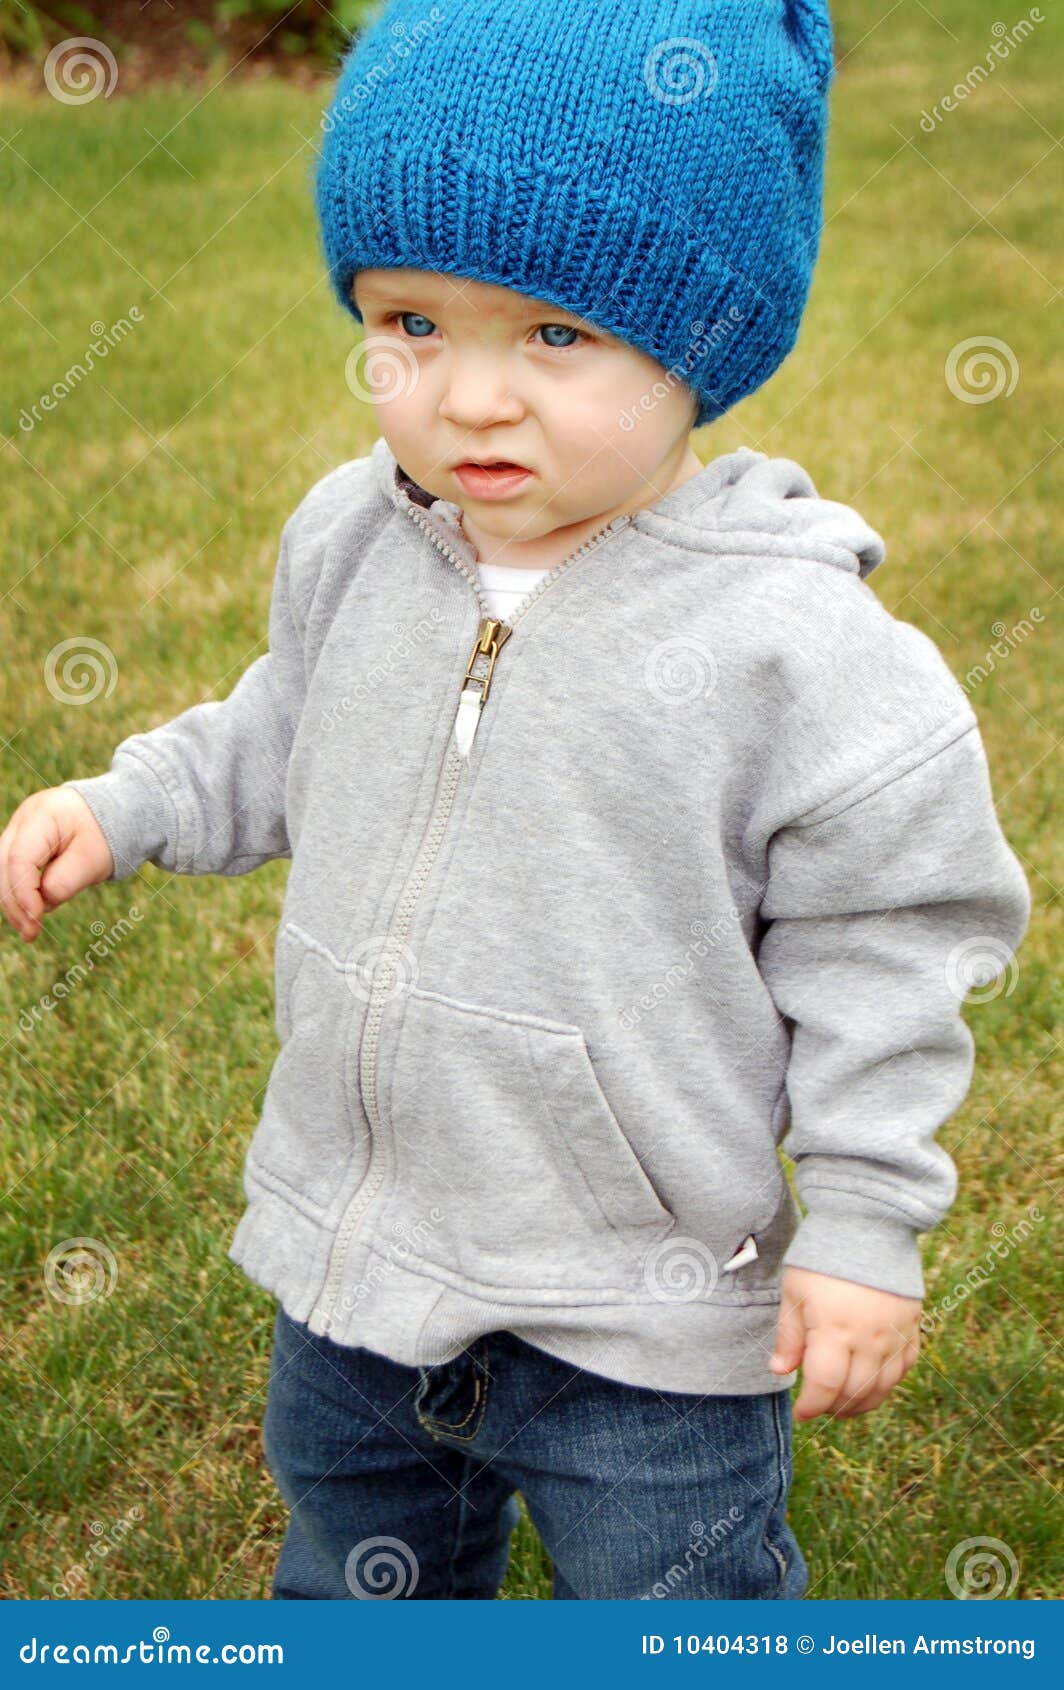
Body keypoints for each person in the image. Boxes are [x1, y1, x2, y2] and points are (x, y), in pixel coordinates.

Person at [0, 0, 1030, 1601]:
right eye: (408, 323)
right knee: (357, 1574)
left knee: (674, 1611)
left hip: (648, 1321)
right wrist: (128, 800)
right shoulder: (359, 539)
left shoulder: (797, 651)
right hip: (359, 1259)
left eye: (553, 334)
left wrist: (869, 1224)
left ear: (703, 338)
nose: (466, 397)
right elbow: (286, 722)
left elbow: (892, 944)